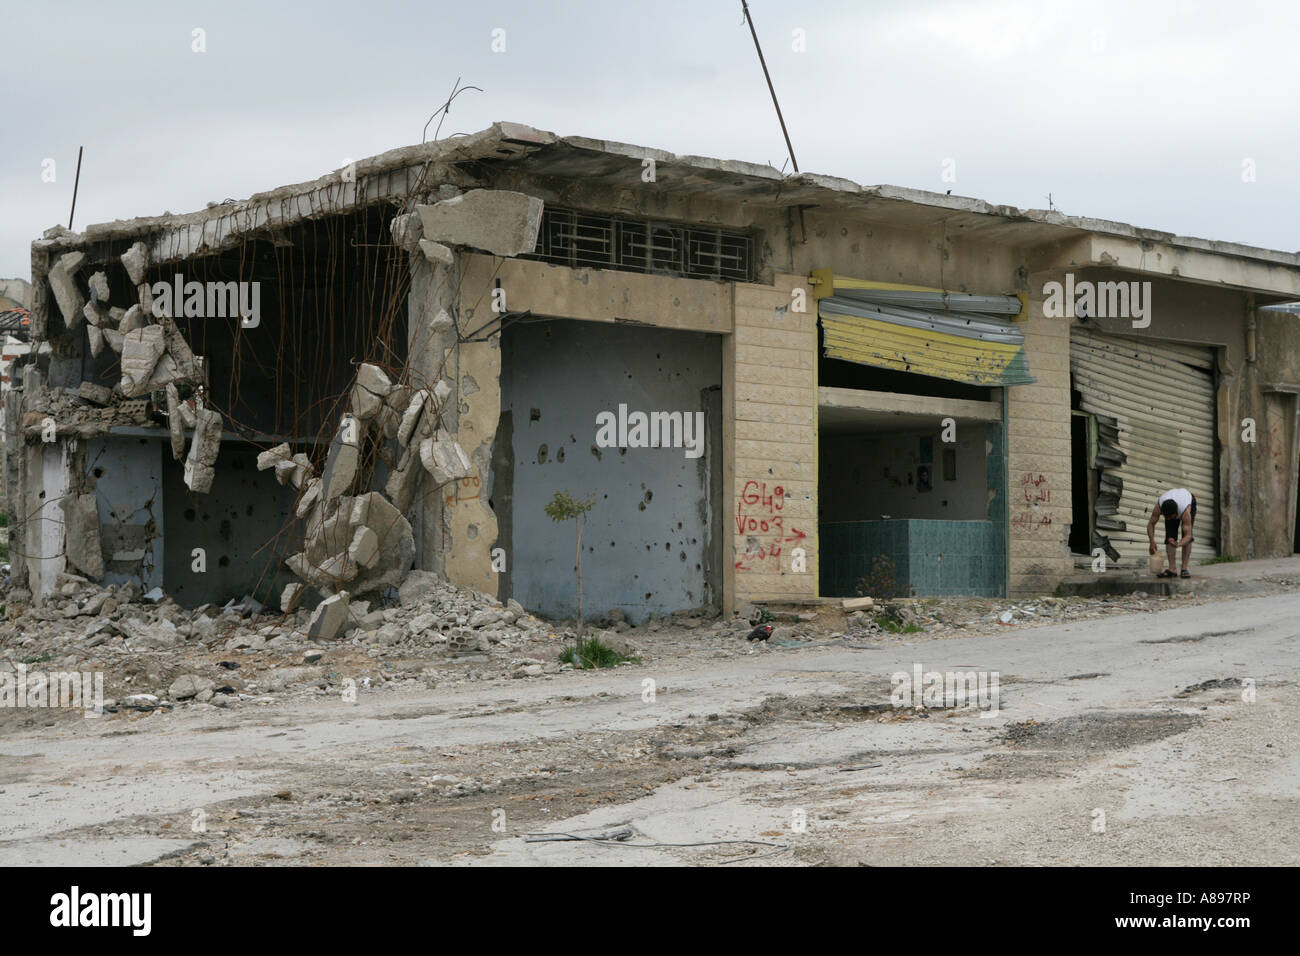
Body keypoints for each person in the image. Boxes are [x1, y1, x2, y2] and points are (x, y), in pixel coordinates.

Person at [1147, 488, 1196, 579]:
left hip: (1189, 500)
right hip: (1172, 505)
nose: (1168, 519)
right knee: (1170, 537)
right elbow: (1151, 524)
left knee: (1186, 536)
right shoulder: (1159, 506)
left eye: (1170, 516)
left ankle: (1184, 568)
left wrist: (1178, 544)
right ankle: (1172, 569)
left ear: (1176, 512)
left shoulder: (1185, 511)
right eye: (1166, 517)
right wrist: (1152, 542)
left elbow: (1188, 536)